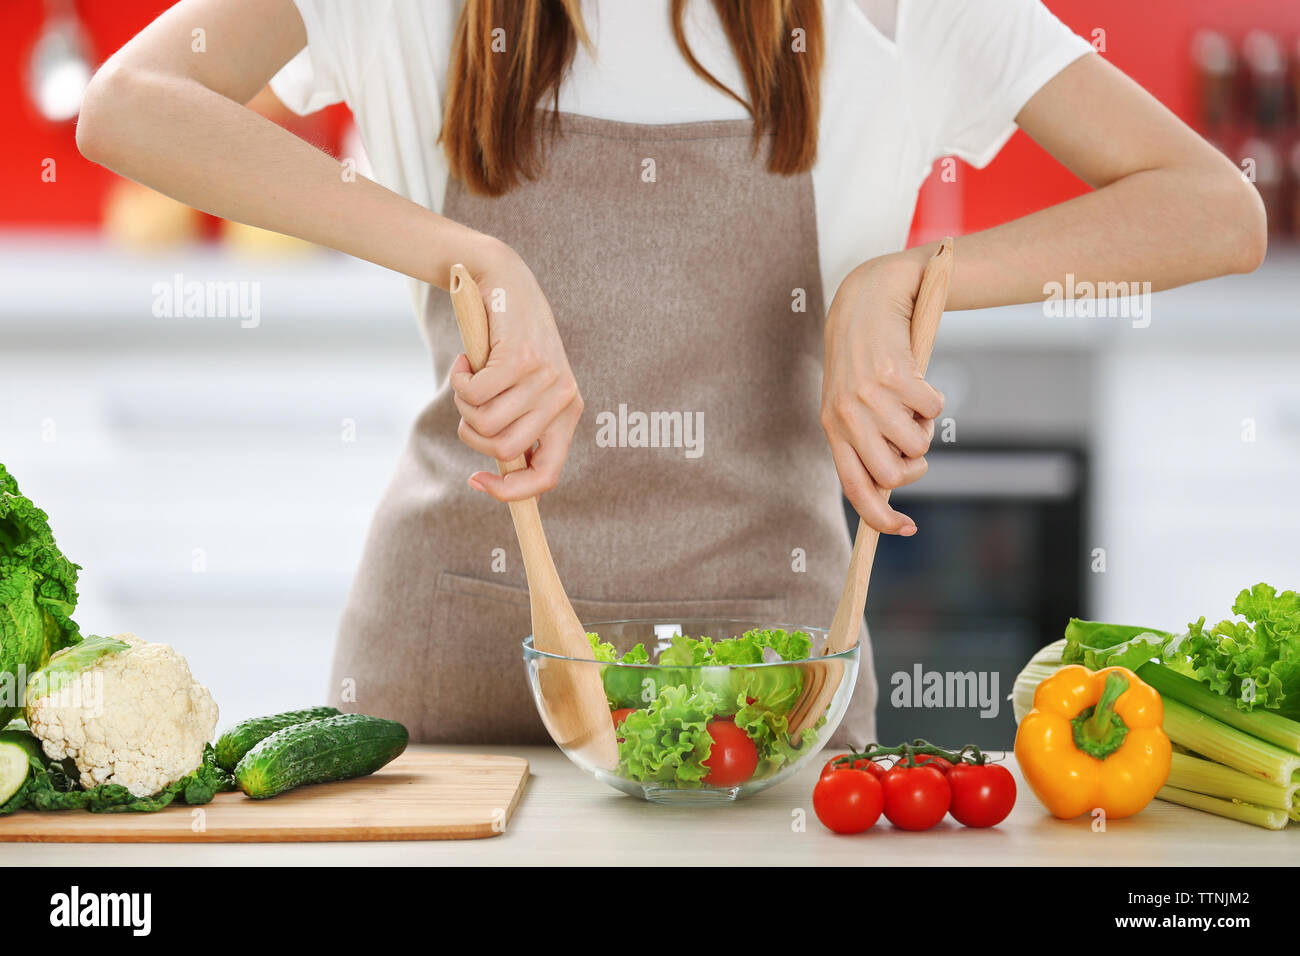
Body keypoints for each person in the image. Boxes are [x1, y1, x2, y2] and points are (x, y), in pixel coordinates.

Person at [76, 0, 1265, 745]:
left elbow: (1216, 208)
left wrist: (915, 275)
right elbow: (129, 104)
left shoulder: (905, 16)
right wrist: (459, 249)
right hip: (445, 689)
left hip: (773, 706)